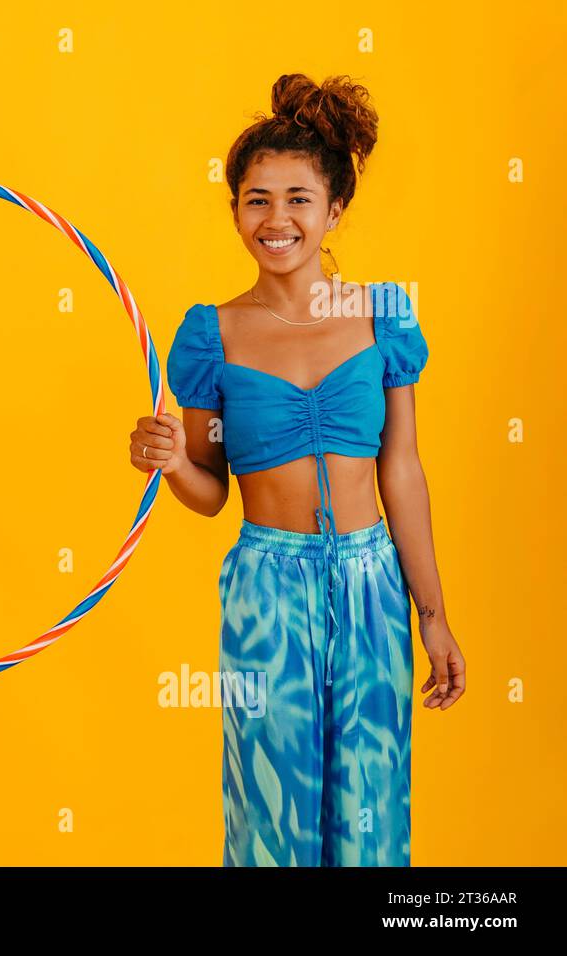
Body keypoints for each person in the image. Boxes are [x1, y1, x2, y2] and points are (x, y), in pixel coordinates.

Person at [130, 73, 465, 866]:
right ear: (235, 210)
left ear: (334, 209)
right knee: (270, 811)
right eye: (255, 199)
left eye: (297, 199)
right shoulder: (211, 335)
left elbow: (404, 473)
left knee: (372, 808)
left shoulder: (384, 318)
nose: (275, 219)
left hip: (371, 580)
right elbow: (210, 494)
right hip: (266, 590)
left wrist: (433, 613)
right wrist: (177, 461)